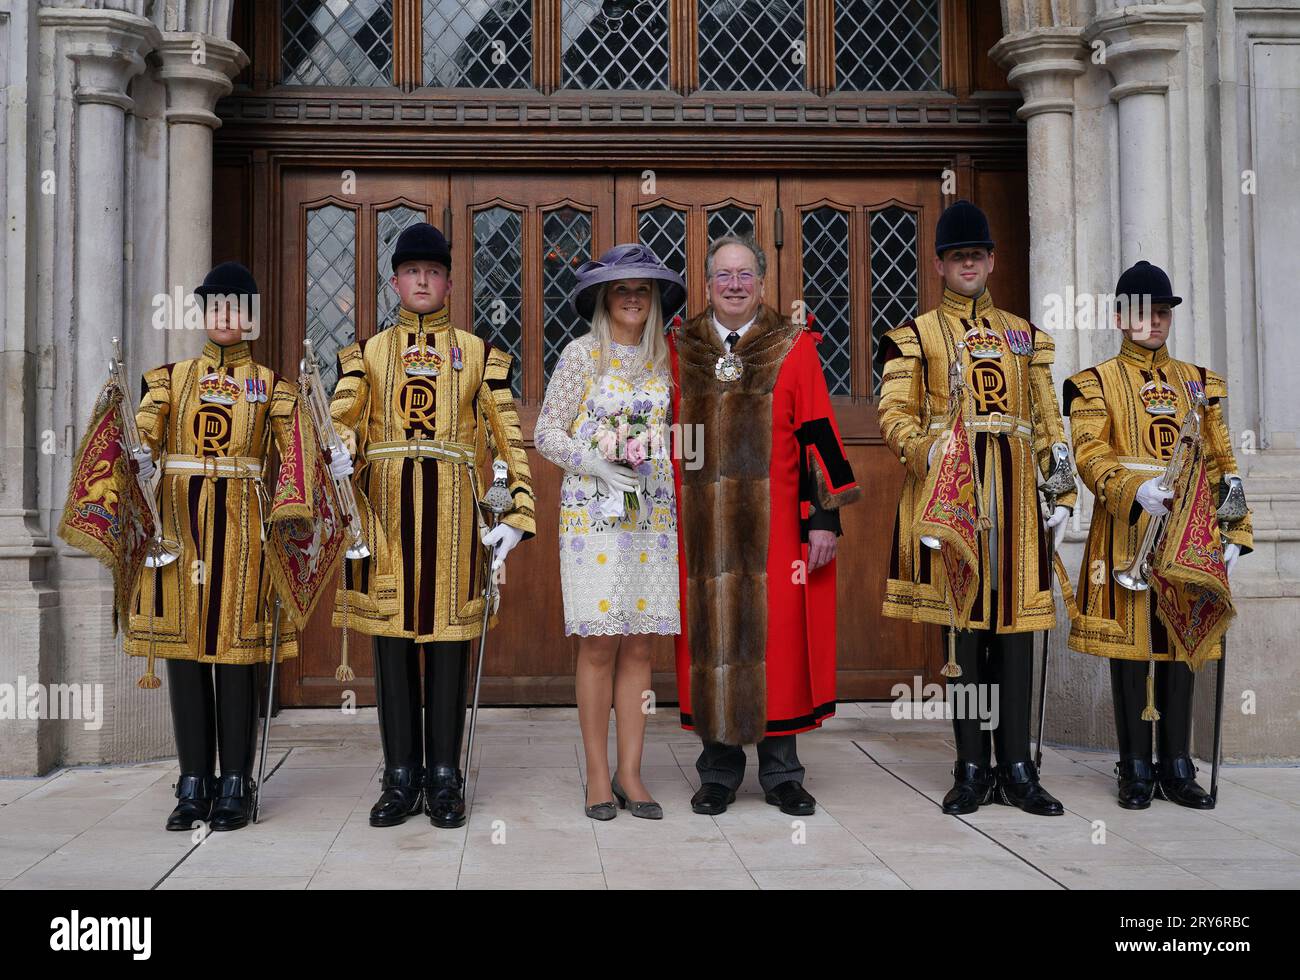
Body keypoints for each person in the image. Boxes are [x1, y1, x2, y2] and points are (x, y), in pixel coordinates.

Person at [60, 262, 305, 832]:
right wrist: (136, 450)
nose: (225, 315)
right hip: (177, 530)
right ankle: (194, 779)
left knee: (237, 654)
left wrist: (293, 512)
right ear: (202, 313)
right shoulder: (167, 379)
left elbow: (293, 461)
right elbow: (141, 433)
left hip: (243, 531)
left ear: (251, 317)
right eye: (215, 305)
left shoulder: (275, 388)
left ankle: (237, 782)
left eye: (236, 306)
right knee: (186, 652)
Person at [328, 222, 535, 828]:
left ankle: (444, 775)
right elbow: (342, 418)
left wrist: (517, 513)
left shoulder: (478, 355)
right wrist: (338, 448)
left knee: (448, 647)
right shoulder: (365, 353)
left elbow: (508, 438)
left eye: (434, 271)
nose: (423, 279)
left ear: (448, 281)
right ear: (395, 281)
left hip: (455, 523)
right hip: (385, 520)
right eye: (412, 270)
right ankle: (399, 777)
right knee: (390, 649)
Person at [877, 200, 1076, 817]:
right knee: (962, 636)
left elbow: (1048, 422)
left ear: (992, 260)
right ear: (939, 265)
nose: (968, 264)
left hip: (1017, 504)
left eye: (978, 254)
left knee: (1014, 635)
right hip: (952, 503)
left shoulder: (1026, 337)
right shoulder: (914, 336)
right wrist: (926, 446)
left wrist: (1063, 492)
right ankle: (970, 765)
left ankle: (1017, 765)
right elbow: (893, 416)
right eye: (957, 256)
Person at [669, 235, 860, 817]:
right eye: (723, 275)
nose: (734, 285)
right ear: (706, 284)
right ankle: (718, 772)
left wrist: (822, 518)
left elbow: (819, 435)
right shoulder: (683, 348)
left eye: (745, 275)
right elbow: (671, 436)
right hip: (700, 528)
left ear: (760, 282)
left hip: (775, 531)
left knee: (776, 644)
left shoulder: (792, 347)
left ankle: (782, 773)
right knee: (711, 642)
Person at [1064, 260, 1252, 809]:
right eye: (1146, 312)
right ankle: (1135, 765)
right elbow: (1089, 453)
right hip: (1129, 527)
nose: (1157, 321)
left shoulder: (1201, 383)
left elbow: (1222, 460)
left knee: (1181, 641)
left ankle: (1176, 762)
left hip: (1190, 529)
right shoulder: (1094, 382)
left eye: (1164, 312)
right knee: (1131, 648)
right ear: (1122, 318)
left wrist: (1236, 527)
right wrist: (1131, 489)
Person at [535, 243, 685, 820]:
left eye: (642, 290)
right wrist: (597, 463)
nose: (631, 298)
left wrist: (652, 463)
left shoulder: (661, 363)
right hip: (592, 515)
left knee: (642, 642)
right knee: (599, 640)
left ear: (653, 301)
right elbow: (547, 432)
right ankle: (597, 774)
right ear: (604, 298)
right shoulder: (581, 356)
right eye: (621, 289)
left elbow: (672, 435)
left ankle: (632, 773)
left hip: (650, 514)